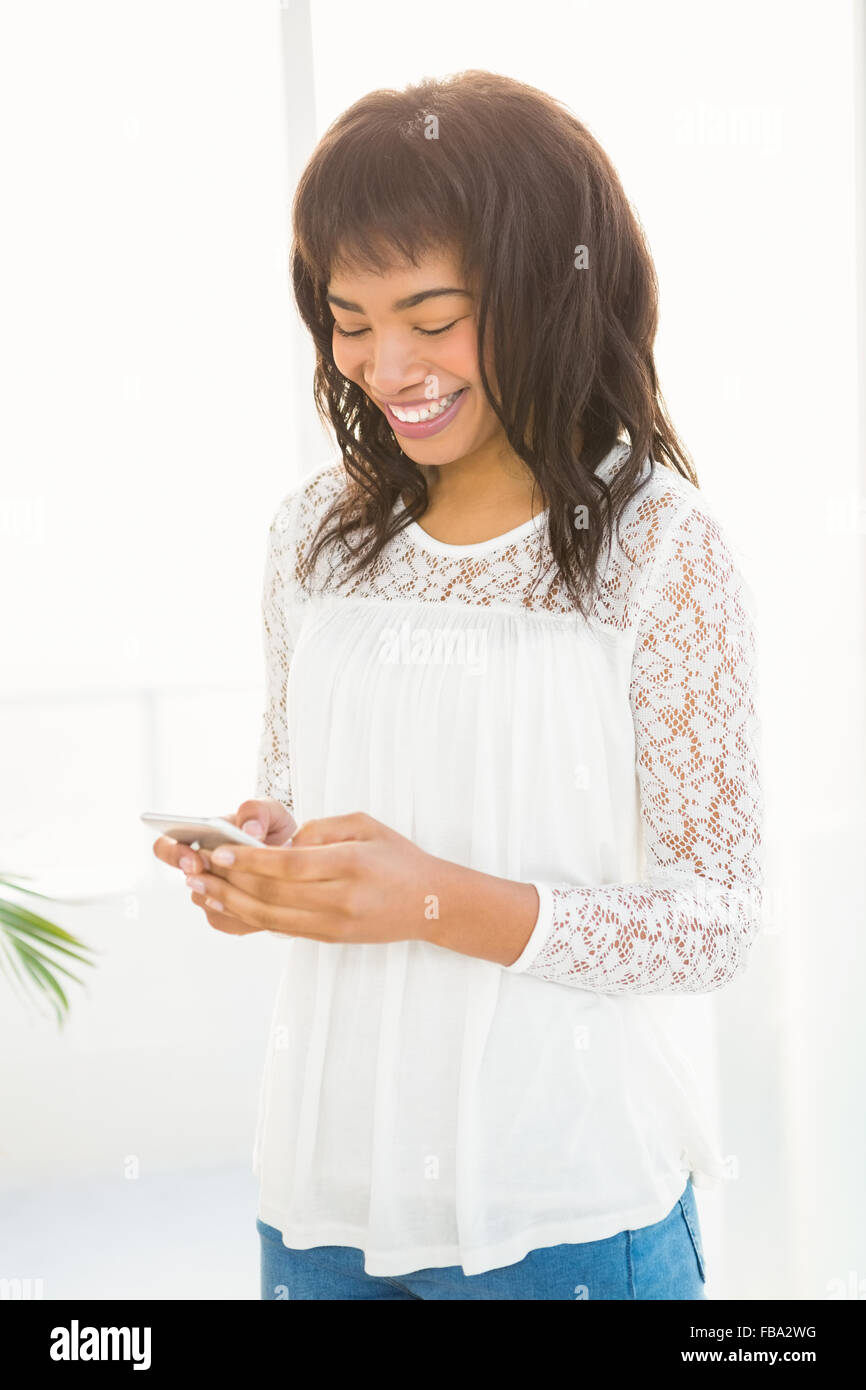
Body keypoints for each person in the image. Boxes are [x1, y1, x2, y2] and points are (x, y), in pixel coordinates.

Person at [153, 69, 763, 1300]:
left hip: (560, 1210)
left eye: (432, 316)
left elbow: (715, 920)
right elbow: (296, 787)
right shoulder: (313, 533)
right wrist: (265, 863)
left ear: (548, 291)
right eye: (348, 317)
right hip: (323, 1193)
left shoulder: (655, 548)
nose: (385, 364)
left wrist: (434, 900)